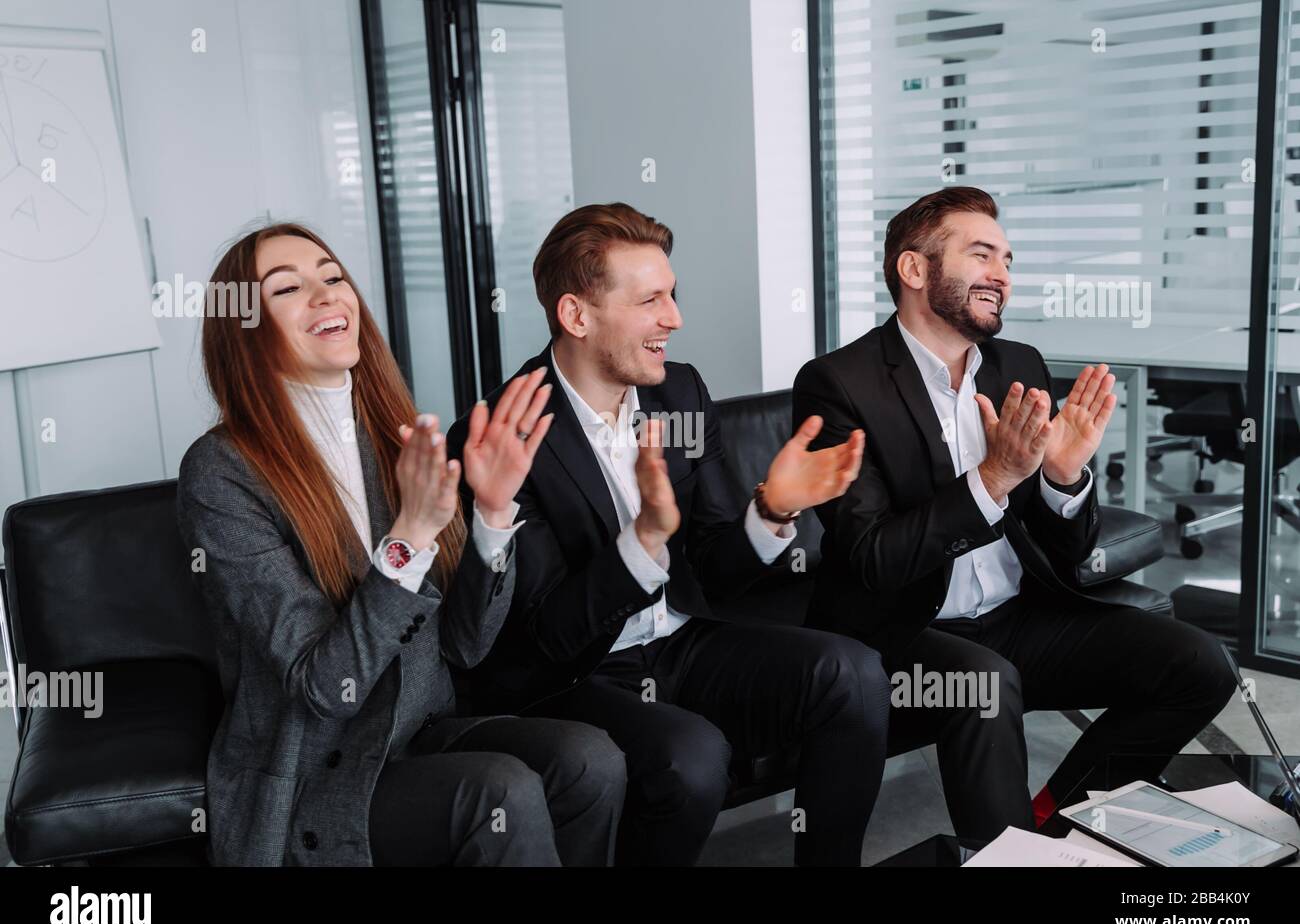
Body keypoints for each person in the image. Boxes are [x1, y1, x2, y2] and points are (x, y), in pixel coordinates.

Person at [447, 203, 891, 866]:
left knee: (853, 672)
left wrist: (772, 508)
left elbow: (712, 567)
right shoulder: (503, 437)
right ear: (576, 315)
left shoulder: (678, 392)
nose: (674, 319)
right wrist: (643, 542)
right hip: (578, 674)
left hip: (683, 641)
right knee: (692, 759)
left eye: (672, 296)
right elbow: (546, 635)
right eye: (651, 300)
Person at [792, 186, 1237, 842]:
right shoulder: (837, 383)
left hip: (1017, 616)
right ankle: (1008, 857)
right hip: (900, 635)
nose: (1001, 274)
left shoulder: (1018, 365)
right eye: (981, 254)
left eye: (1007, 258)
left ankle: (1051, 823)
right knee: (985, 684)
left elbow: (1069, 550)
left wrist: (1063, 477)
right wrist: (992, 478)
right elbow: (873, 559)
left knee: (1200, 664)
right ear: (914, 270)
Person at [178, 222, 625, 866]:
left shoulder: (391, 441)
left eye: (333, 278)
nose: (326, 295)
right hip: (320, 769)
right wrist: (410, 534)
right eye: (288, 289)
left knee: (591, 762)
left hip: (421, 735)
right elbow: (326, 690)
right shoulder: (221, 473)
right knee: (500, 794)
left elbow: (465, 646)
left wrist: (495, 514)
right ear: (244, 330)